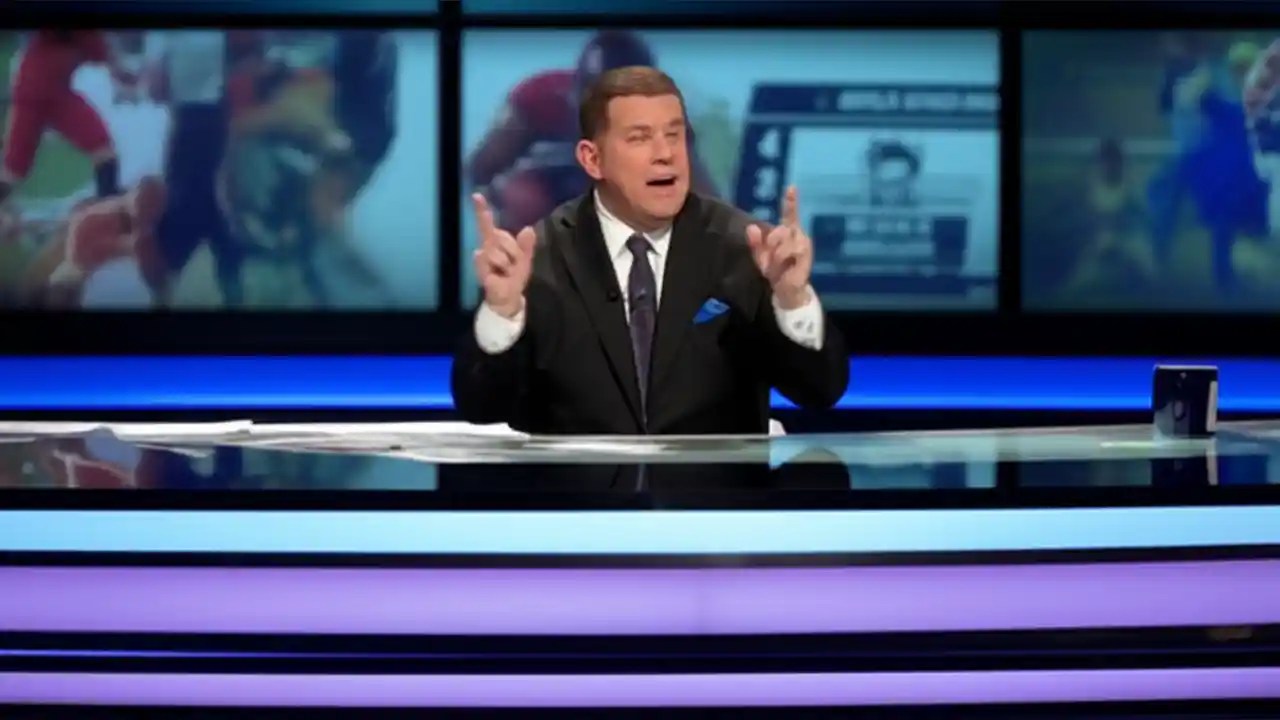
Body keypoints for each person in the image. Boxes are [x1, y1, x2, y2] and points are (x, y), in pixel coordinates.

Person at [451, 66, 848, 435]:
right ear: (593, 159)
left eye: (674, 135)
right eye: (640, 138)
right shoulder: (539, 258)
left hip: (716, 506)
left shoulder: (748, 248)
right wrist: (502, 313)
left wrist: (793, 301)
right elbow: (482, 408)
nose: (666, 154)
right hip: (575, 505)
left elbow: (820, 393)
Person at [465, 30, 720, 232]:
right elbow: (481, 169)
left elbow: (706, 202)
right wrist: (500, 213)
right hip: (549, 196)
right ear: (575, 91)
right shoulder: (540, 100)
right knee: (522, 197)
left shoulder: (666, 116)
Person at [0, 31, 136, 208]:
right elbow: (103, 52)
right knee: (13, 171)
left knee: (103, 149)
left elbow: (102, 53)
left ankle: (107, 213)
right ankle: (108, 210)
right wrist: (121, 70)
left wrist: (121, 72)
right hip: (35, 94)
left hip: (52, 92)